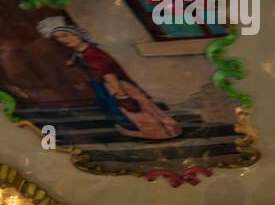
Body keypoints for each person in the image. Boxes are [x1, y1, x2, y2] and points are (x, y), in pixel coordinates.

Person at [38, 16, 180, 140]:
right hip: (101, 85)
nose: (62, 40)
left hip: (112, 85)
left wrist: (121, 93)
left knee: (129, 109)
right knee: (115, 108)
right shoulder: (82, 51)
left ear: (77, 34)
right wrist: (73, 63)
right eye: (58, 38)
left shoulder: (92, 53)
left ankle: (154, 132)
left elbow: (107, 72)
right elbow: (80, 59)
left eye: (65, 35)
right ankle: (146, 130)